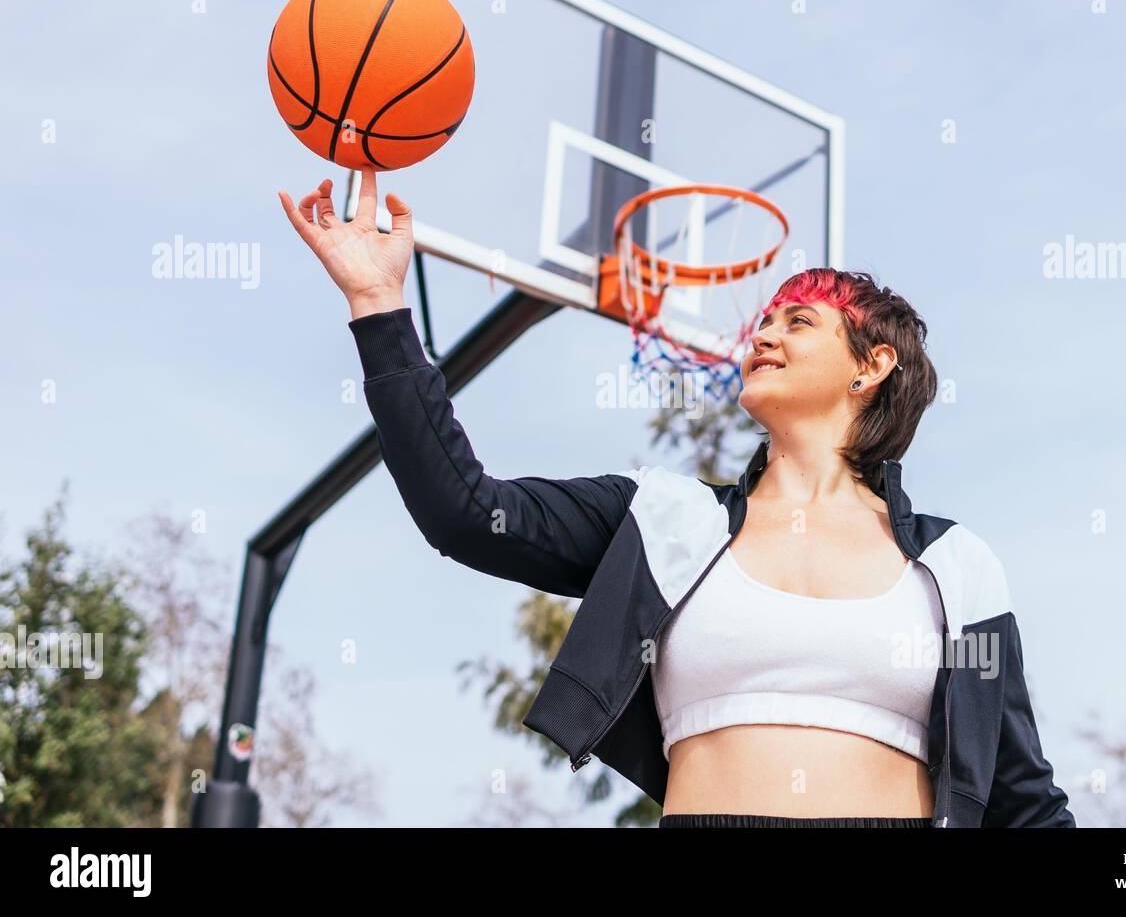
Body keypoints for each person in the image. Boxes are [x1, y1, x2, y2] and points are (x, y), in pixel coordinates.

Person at [279, 170, 1077, 829]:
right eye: (763, 320)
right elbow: (462, 512)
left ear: (869, 367)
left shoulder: (955, 567)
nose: (762, 334)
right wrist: (377, 305)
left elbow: (1024, 801)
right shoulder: (664, 521)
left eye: (798, 321)